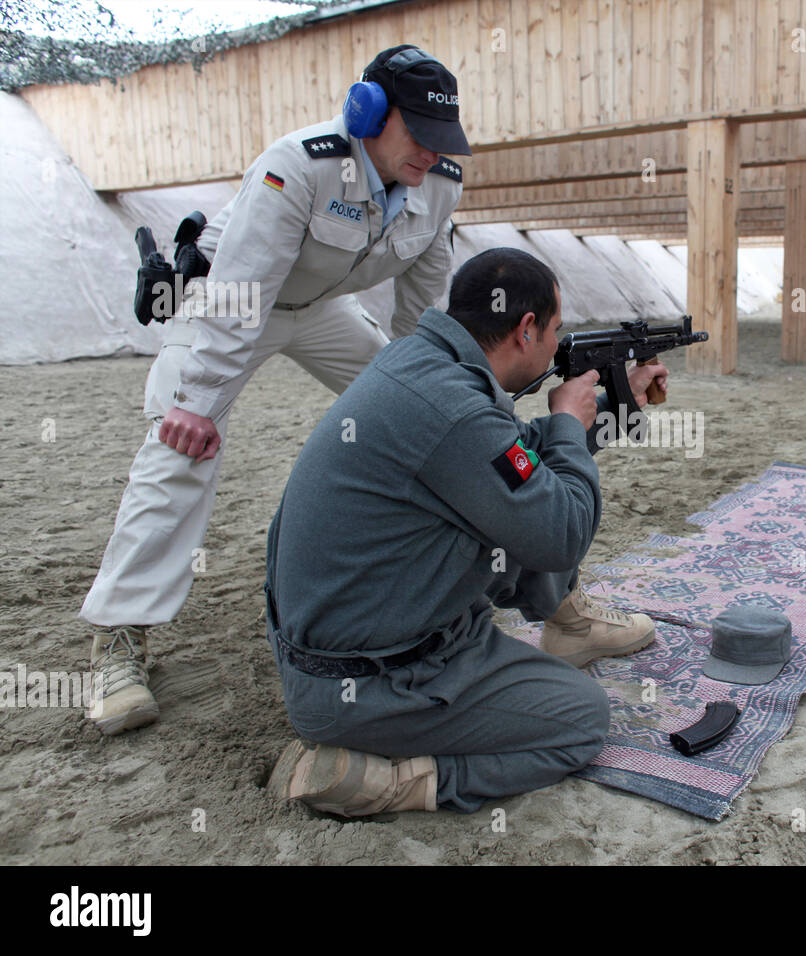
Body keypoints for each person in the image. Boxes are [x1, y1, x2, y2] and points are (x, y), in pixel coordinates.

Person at [80, 44, 471, 736]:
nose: (431, 154)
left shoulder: (439, 184)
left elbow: (422, 307)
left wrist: (426, 389)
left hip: (319, 312)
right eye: (420, 135)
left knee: (423, 415)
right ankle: (119, 634)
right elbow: (242, 291)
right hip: (229, 302)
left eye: (444, 140)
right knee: (182, 447)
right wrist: (200, 403)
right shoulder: (300, 164)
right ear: (369, 112)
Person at [265, 247, 666, 816]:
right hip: (366, 685)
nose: (557, 345)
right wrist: (566, 426)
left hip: (337, 645)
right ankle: (396, 781)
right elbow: (561, 531)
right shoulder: (453, 406)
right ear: (525, 329)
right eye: (554, 330)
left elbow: (507, 464)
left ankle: (570, 627)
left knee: (521, 503)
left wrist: (615, 404)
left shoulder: (421, 364)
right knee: (580, 720)